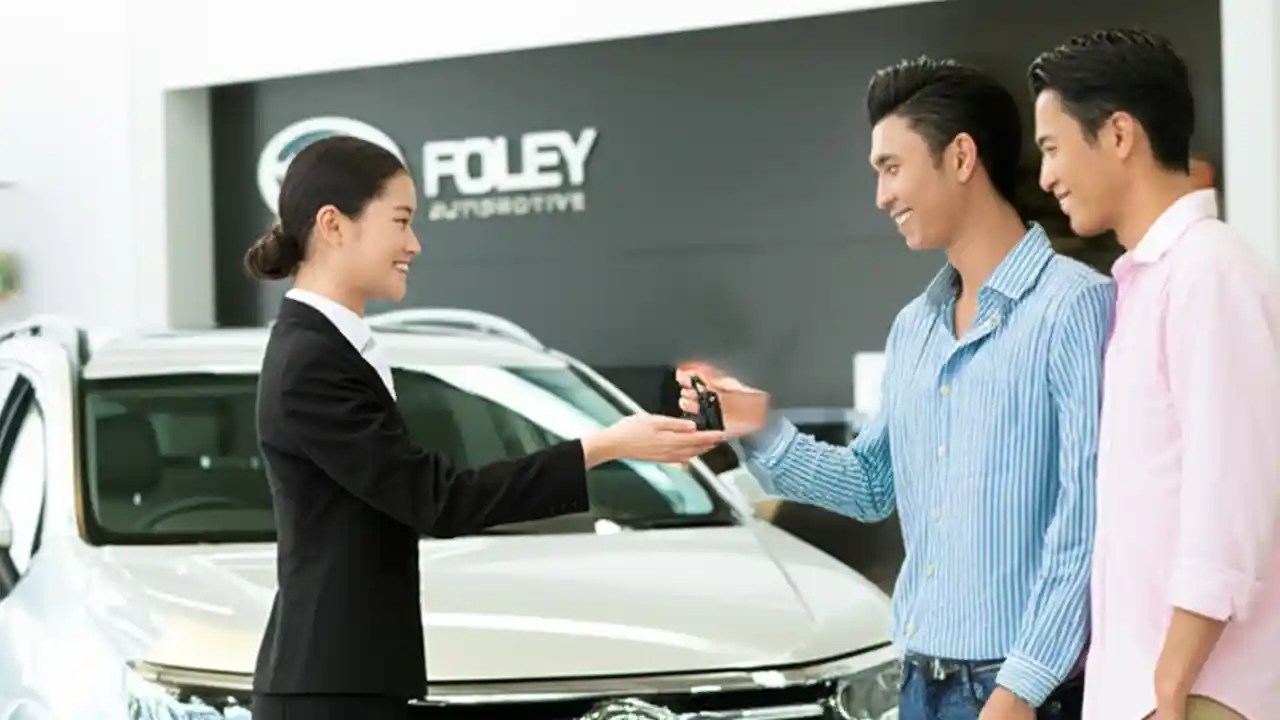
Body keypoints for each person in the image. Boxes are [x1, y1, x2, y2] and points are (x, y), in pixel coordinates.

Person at [677, 56, 1114, 720]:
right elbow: (870, 484)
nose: (882, 196)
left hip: (1024, 692)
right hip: (916, 677)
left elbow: (1085, 519)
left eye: (891, 168)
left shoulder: (1073, 306)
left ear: (961, 156)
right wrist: (758, 425)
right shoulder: (915, 327)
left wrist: (1021, 687)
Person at [244, 135, 727, 719]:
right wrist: (605, 446)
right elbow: (438, 501)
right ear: (333, 224)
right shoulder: (311, 361)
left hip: (350, 679)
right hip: (329, 690)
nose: (414, 245)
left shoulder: (326, 349)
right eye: (400, 221)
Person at [1029, 29, 1280, 720]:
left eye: (1052, 147)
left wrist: (1170, 686)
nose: (1046, 176)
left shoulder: (1209, 272)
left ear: (1118, 134)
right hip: (1151, 689)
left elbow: (1231, 500)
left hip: (1198, 693)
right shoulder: (1149, 282)